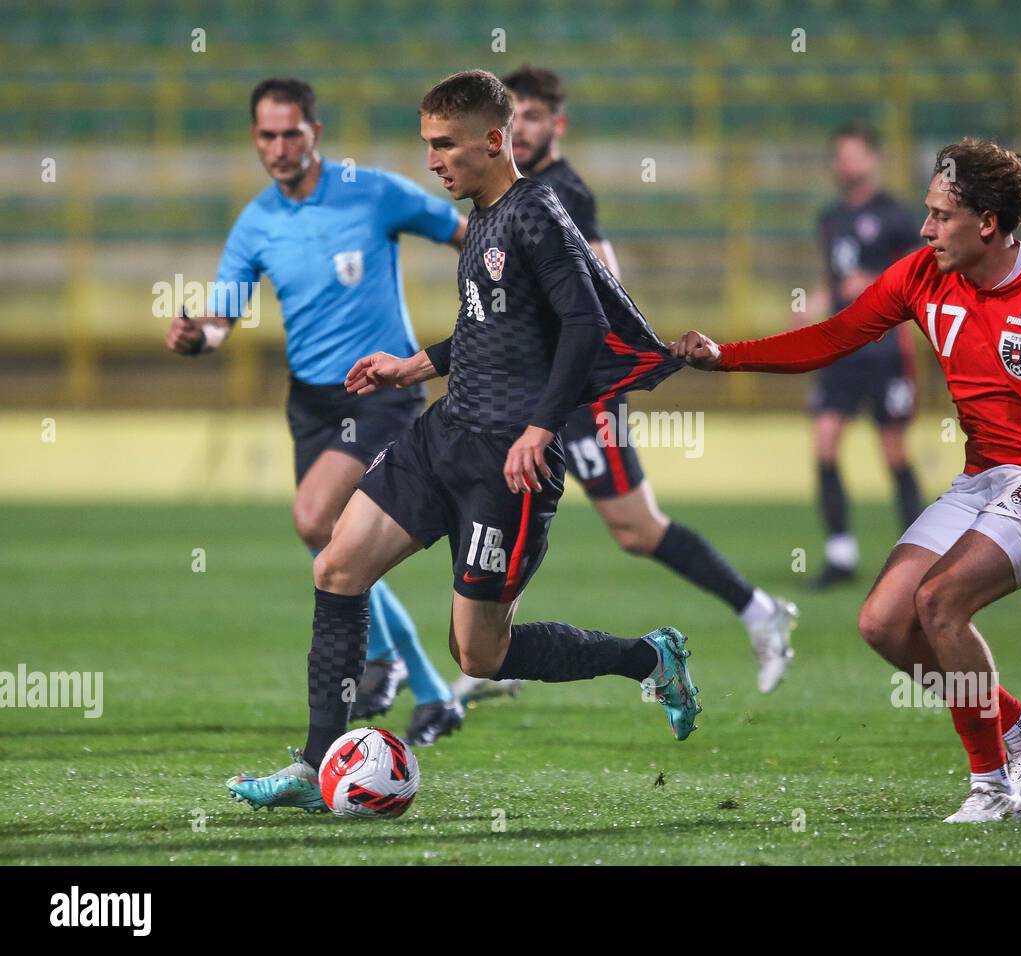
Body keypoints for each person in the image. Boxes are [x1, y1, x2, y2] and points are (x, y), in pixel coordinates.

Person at [226, 70, 700, 813]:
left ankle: (649, 656)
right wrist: (414, 364)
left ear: (492, 140)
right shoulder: (479, 215)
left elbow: (585, 326)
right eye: (425, 145)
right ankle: (319, 767)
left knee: (479, 654)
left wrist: (541, 428)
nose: (432, 160)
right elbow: (493, 328)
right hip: (443, 433)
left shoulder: (536, 214)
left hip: (508, 470)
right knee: (338, 566)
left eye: (444, 144)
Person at [671, 138, 1021, 823]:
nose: (925, 228)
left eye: (942, 215)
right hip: (982, 476)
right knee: (883, 622)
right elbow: (834, 336)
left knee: (941, 603)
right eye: (927, 212)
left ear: (986, 223)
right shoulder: (922, 275)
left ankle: (993, 787)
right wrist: (725, 358)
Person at [449, 65, 796, 704]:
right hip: (536, 386)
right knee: (583, 517)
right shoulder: (509, 191)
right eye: (514, 115)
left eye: (534, 117)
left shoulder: (557, 194)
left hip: (570, 392)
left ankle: (757, 609)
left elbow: (597, 284)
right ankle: (492, 652)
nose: (521, 128)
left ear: (557, 124)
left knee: (632, 526)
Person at [166, 77, 469, 746]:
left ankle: (383, 662)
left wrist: (498, 298)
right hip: (310, 403)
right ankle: (429, 688)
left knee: (312, 517)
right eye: (266, 136)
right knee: (333, 546)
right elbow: (223, 316)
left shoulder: (375, 192)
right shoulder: (257, 222)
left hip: (380, 390)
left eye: (290, 133)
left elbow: (466, 234)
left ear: (316, 134)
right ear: (255, 139)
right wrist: (199, 337)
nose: (278, 147)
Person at [801, 123, 922, 591]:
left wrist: (872, 280)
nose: (847, 164)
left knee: (892, 449)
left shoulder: (896, 215)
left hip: (884, 348)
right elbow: (835, 278)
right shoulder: (829, 217)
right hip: (840, 348)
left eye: (855, 155)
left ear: (873, 159)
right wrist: (816, 300)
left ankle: (917, 555)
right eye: (841, 156)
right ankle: (841, 554)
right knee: (825, 442)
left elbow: (920, 273)